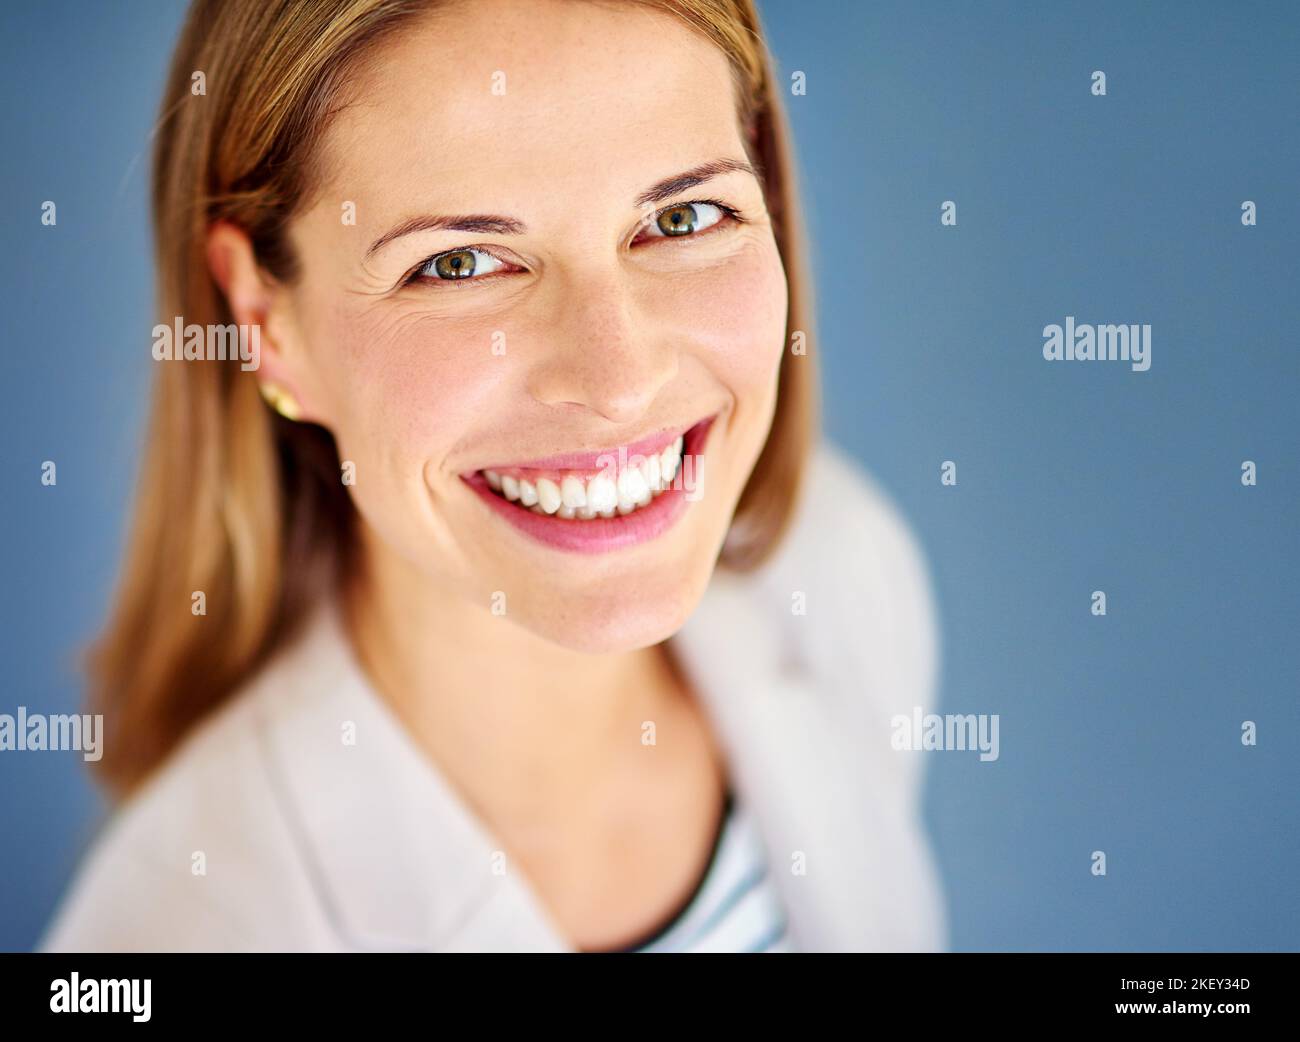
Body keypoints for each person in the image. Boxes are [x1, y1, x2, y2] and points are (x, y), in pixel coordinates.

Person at [41, 0, 947, 953]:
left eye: (682, 216)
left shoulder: (844, 574)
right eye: (460, 264)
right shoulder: (175, 930)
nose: (618, 382)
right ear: (265, 321)